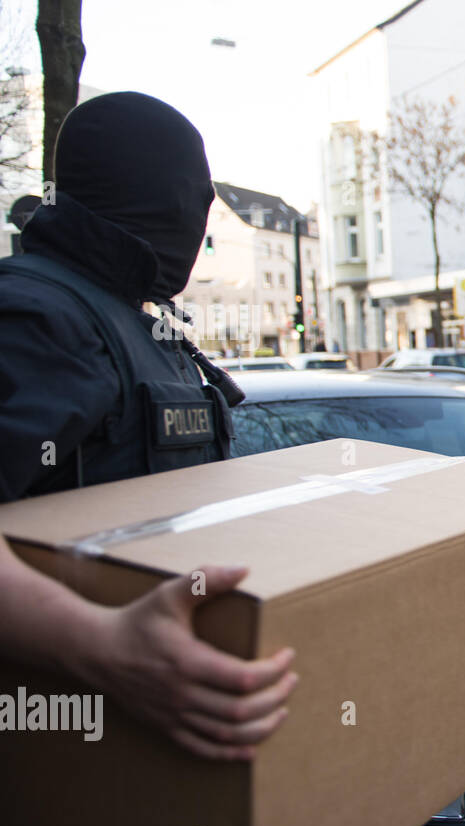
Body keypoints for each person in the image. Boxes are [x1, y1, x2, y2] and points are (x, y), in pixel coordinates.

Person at [0, 92, 297, 764]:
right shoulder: (35, 317)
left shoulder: (138, 321)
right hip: (53, 773)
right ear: (162, 200)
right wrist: (103, 646)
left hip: (136, 767)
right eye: (193, 199)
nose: (199, 220)